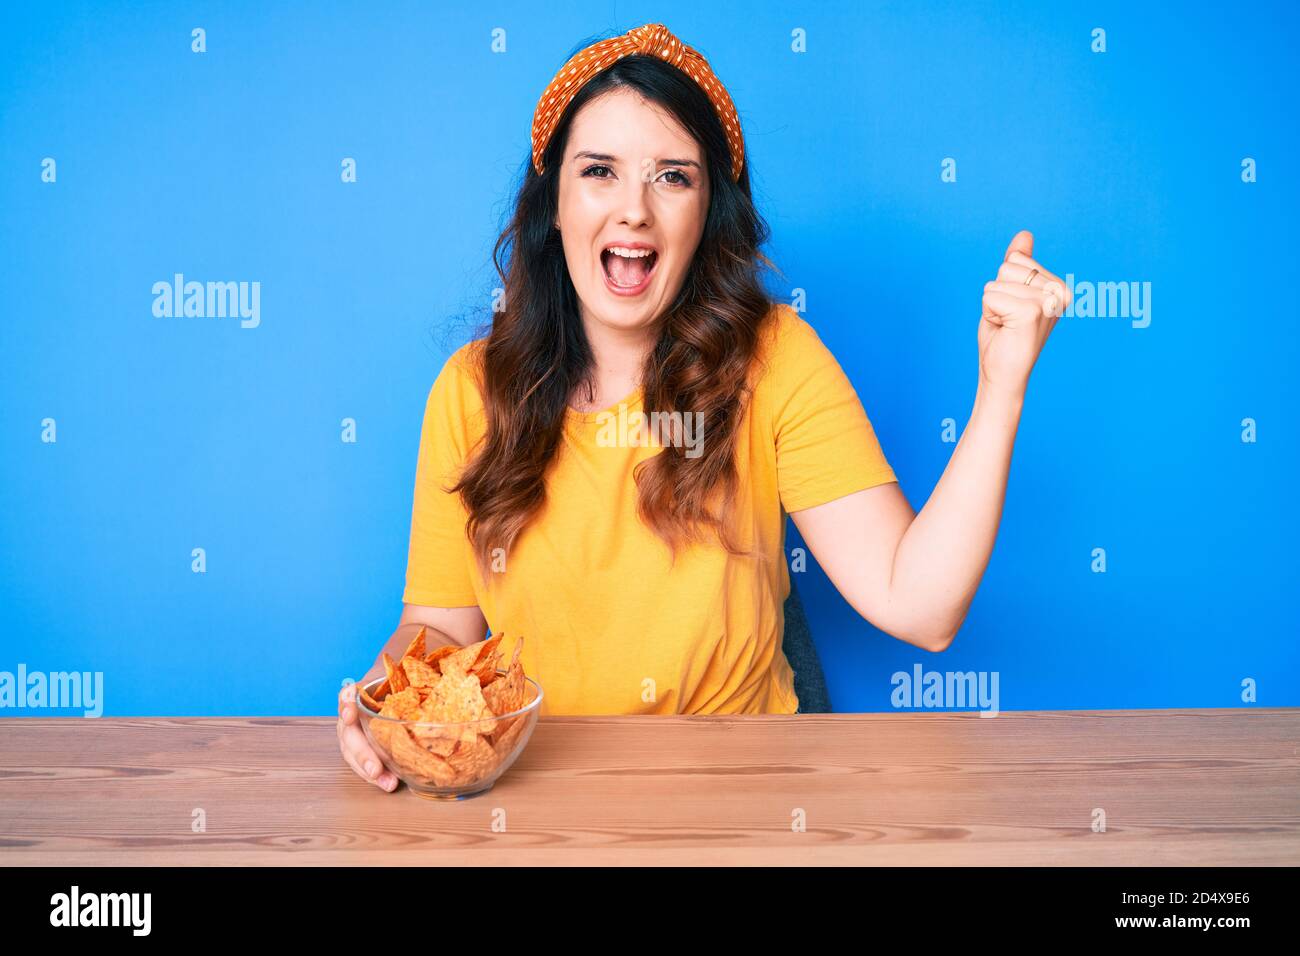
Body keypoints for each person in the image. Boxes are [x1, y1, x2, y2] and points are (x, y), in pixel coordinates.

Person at [338, 23, 1070, 791]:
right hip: (541, 796)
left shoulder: (775, 359)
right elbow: (442, 628)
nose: (634, 211)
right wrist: (389, 702)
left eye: (672, 177)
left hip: (747, 792)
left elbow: (921, 605)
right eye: (599, 172)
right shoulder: (472, 391)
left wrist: (1000, 388)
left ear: (707, 212)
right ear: (553, 203)